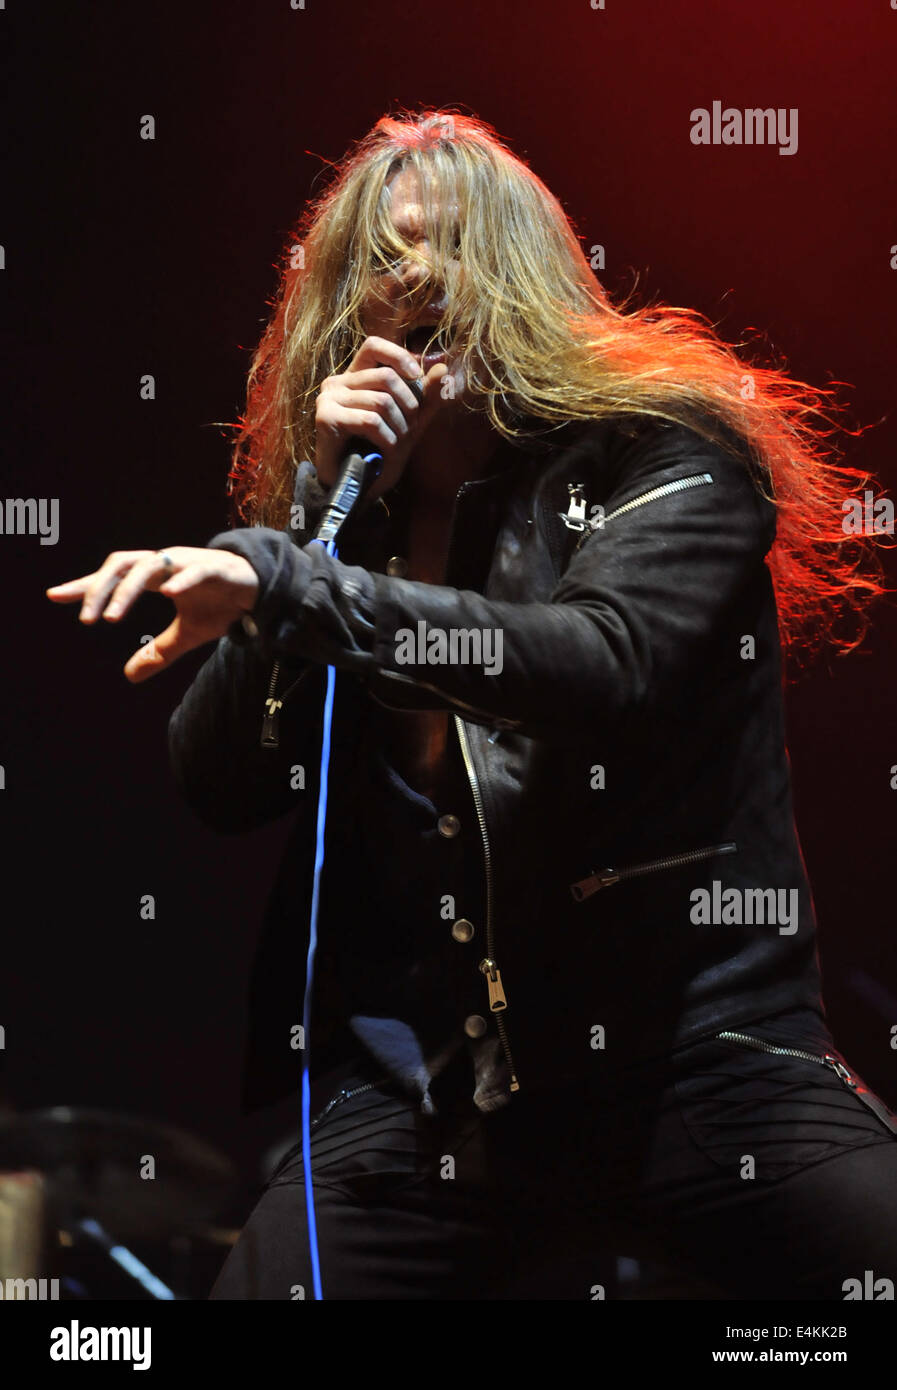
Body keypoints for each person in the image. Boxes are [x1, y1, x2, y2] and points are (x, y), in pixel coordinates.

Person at [47, 109, 897, 1301]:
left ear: (527, 278)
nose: (419, 282)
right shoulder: (347, 518)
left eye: (452, 249)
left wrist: (301, 584)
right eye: (383, 261)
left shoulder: (667, 449)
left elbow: (602, 662)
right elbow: (222, 782)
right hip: (425, 1092)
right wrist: (313, 521)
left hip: (695, 1056)